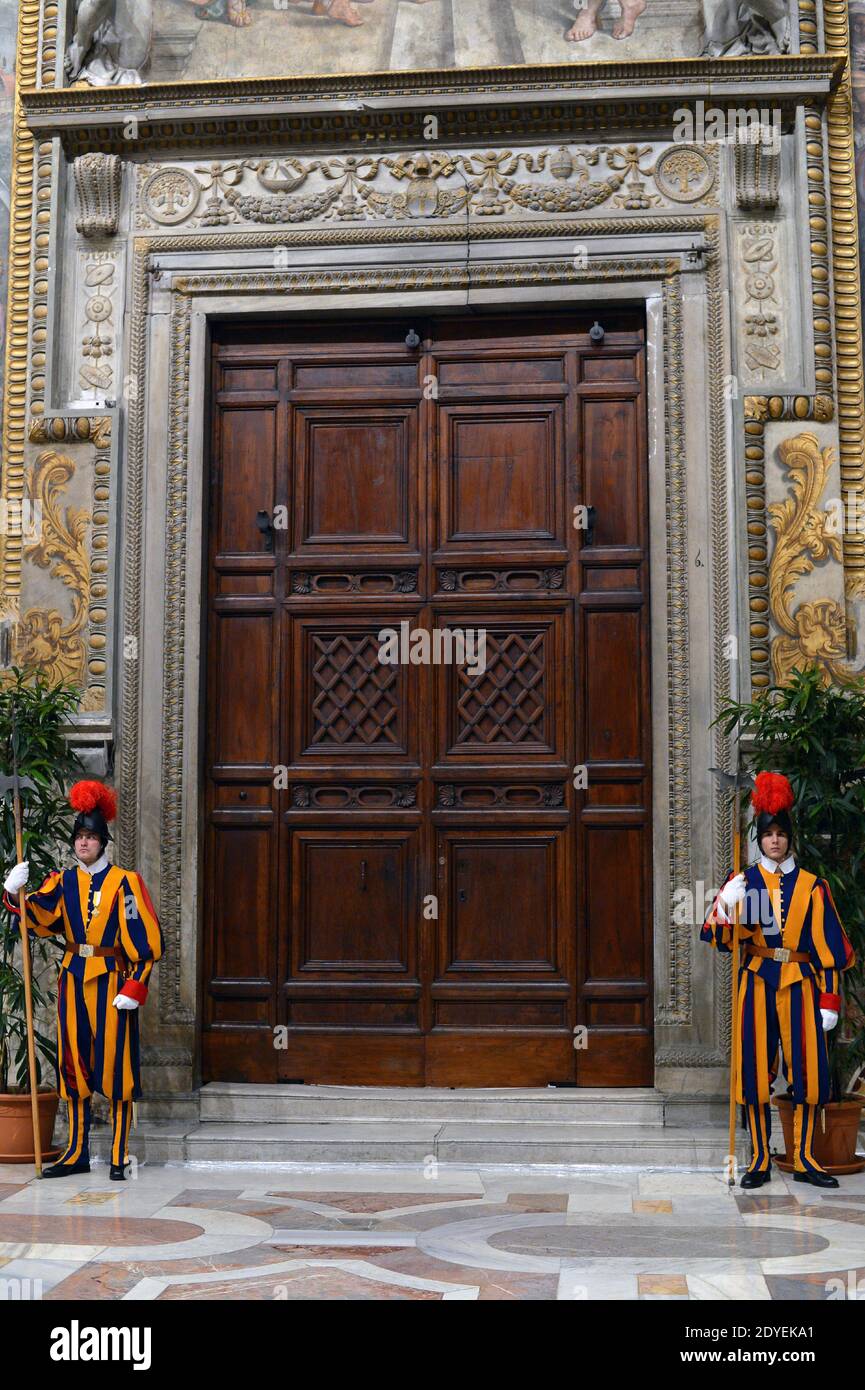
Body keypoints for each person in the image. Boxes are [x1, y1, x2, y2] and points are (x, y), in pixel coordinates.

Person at [701, 771, 856, 1188]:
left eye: (780, 833)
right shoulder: (743, 882)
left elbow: (831, 951)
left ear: (790, 838)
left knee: (807, 1074)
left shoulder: (813, 886)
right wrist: (726, 904)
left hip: (802, 986)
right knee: (753, 1075)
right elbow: (718, 938)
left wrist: (829, 1001)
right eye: (767, 833)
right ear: (759, 838)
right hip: (756, 984)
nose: (774, 840)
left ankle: (804, 1158)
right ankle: (760, 1160)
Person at [3, 780, 163, 1180]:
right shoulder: (62, 881)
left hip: (112, 983)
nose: (84, 843)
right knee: (73, 1069)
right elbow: (40, 918)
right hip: (73, 979)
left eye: (91, 837)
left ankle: (119, 1155)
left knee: (117, 1068)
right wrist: (14, 892)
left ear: (103, 842)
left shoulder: (126, 882)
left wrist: (134, 987)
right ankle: (75, 1154)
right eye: (79, 837)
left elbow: (146, 943)